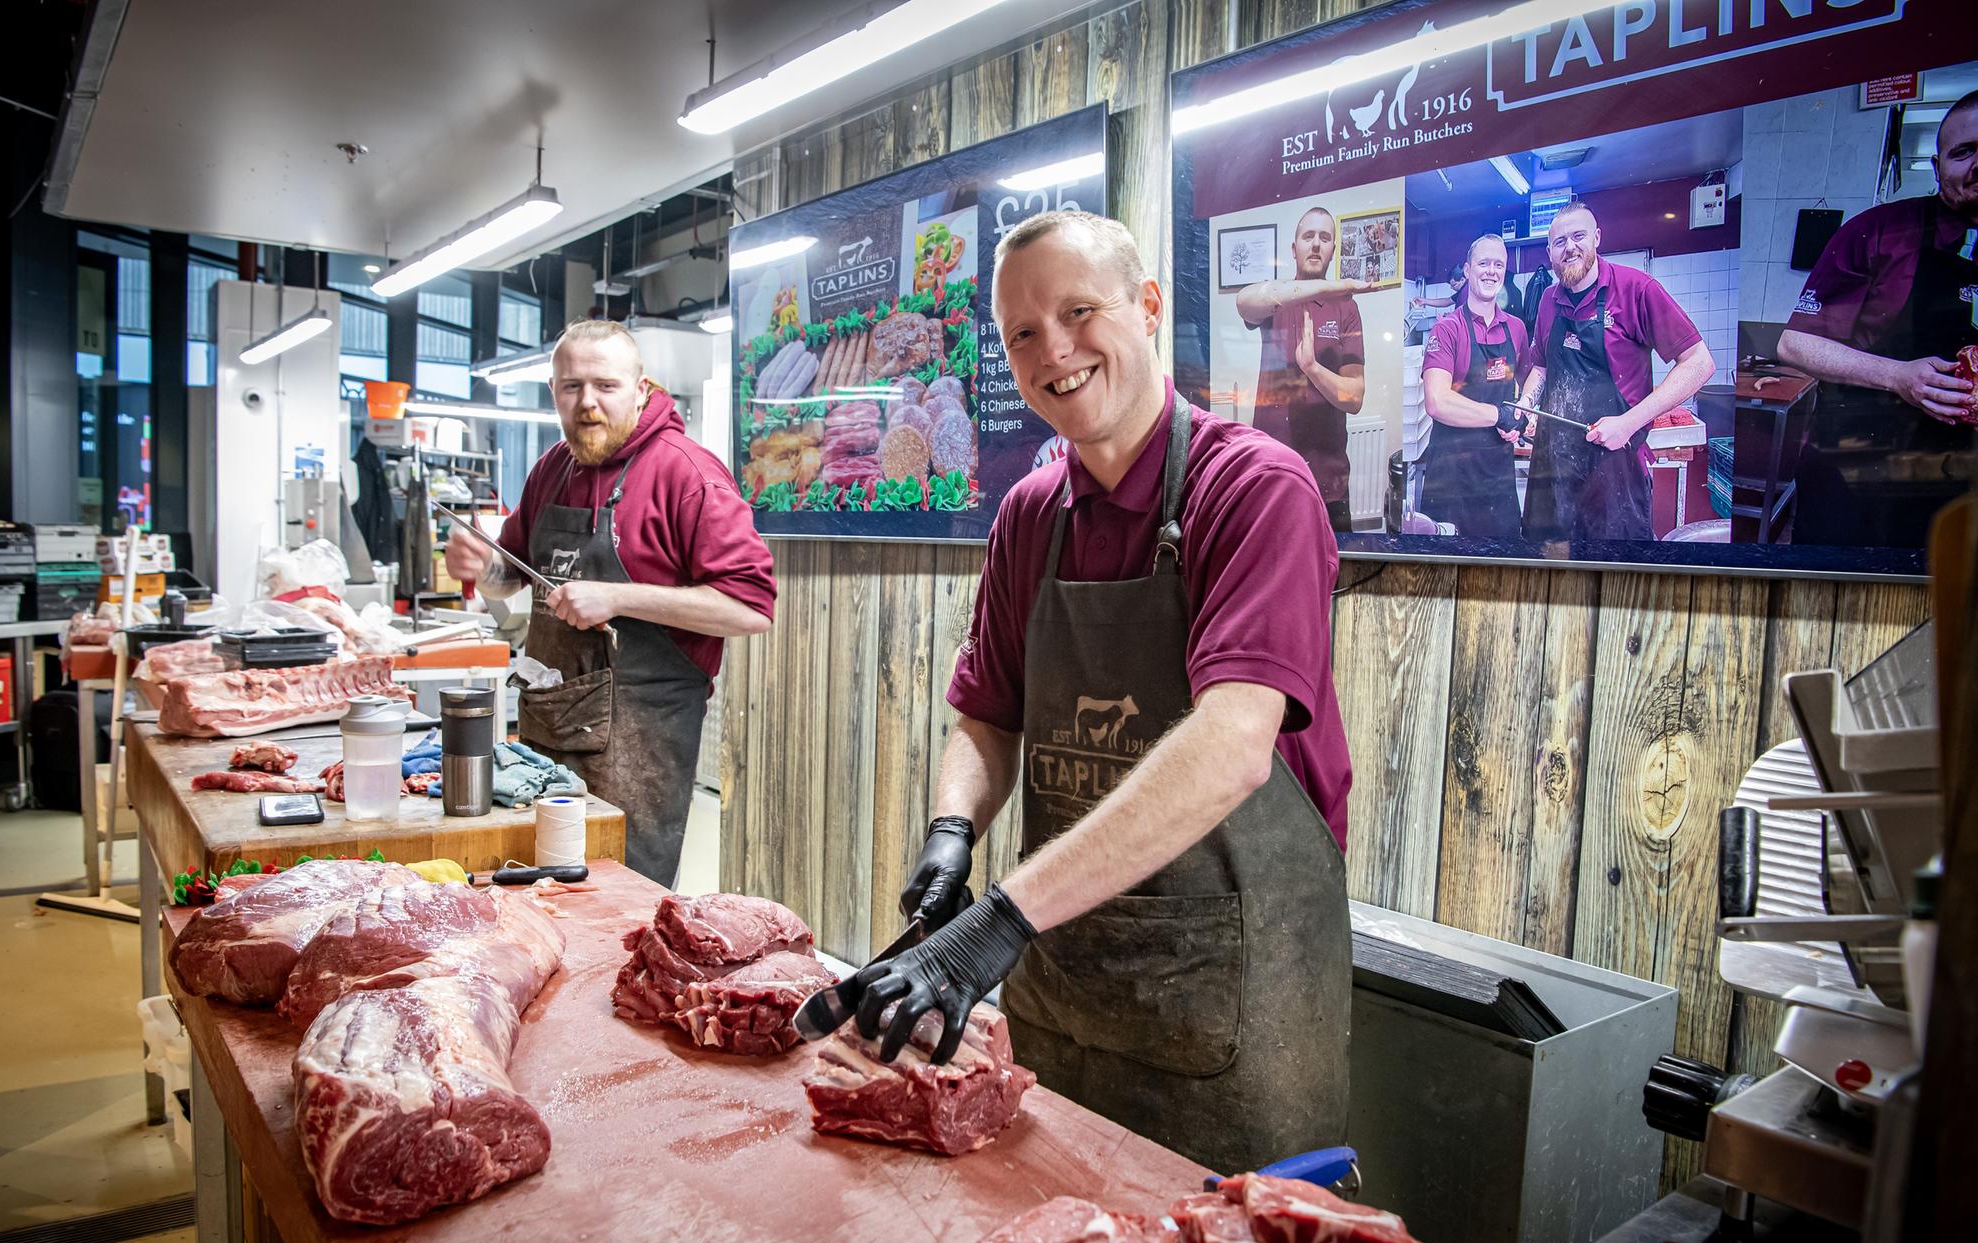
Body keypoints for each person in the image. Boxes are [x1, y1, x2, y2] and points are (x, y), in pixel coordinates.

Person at [832, 212, 1354, 1173]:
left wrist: (1001, 918)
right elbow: (986, 715)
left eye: (1079, 311)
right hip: (1062, 987)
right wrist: (955, 834)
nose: (1053, 351)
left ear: (1148, 306)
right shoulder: (1030, 514)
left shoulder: (1255, 491)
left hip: (1235, 1009)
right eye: (1023, 334)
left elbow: (1236, 742)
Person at [444, 319, 775, 885]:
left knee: (617, 906)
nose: (587, 403)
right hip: (546, 730)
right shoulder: (552, 468)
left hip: (638, 744)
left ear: (642, 388)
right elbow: (510, 578)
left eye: (605, 386)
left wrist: (617, 597)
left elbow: (750, 608)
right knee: (535, 895)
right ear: (553, 392)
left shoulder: (687, 475)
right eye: (572, 387)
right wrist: (481, 568)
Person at [1776, 91, 1978, 547]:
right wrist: (1899, 376)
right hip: (1862, 472)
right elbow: (1793, 345)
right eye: (1964, 152)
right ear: (1937, 165)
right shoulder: (1881, 231)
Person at [1513, 201, 1715, 542]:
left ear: (1597, 238)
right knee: (1548, 572)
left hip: (1613, 470)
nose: (1570, 247)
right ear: (1549, 251)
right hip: (1553, 468)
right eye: (1560, 242)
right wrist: (1525, 405)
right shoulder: (1548, 299)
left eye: (1579, 236)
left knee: (1613, 577)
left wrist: (1629, 422)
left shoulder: (1636, 289)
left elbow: (1699, 362)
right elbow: (1543, 366)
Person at [1234, 206, 1370, 531]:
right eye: (1308, 236)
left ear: (1333, 250)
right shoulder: (1275, 299)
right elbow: (1243, 301)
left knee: (1335, 577)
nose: (1316, 244)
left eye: (1324, 237)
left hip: (1328, 482)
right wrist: (1323, 287)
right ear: (1294, 249)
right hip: (1271, 477)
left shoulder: (1347, 308)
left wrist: (1312, 368)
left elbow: (1354, 398)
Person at [1415, 235, 1528, 537]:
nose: (1491, 271)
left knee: (1502, 570)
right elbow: (1437, 401)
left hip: (1497, 477)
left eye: (1498, 265)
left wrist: (1525, 413)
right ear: (1467, 270)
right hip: (1453, 479)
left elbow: (1528, 382)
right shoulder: (1448, 328)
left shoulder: (1516, 329)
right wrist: (1498, 415)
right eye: (1483, 263)